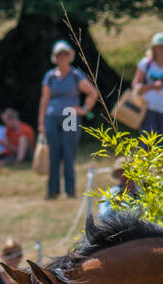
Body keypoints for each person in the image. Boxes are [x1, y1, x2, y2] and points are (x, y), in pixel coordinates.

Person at [38, 40, 98, 200]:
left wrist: (84, 110)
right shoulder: (50, 77)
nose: (62, 58)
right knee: (54, 154)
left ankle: (70, 190)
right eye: (59, 55)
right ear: (55, 57)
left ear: (69, 56)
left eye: (64, 54)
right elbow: (44, 99)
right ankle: (53, 190)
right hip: (52, 117)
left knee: (68, 153)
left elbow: (93, 93)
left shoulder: (75, 75)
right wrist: (41, 122)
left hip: (70, 117)